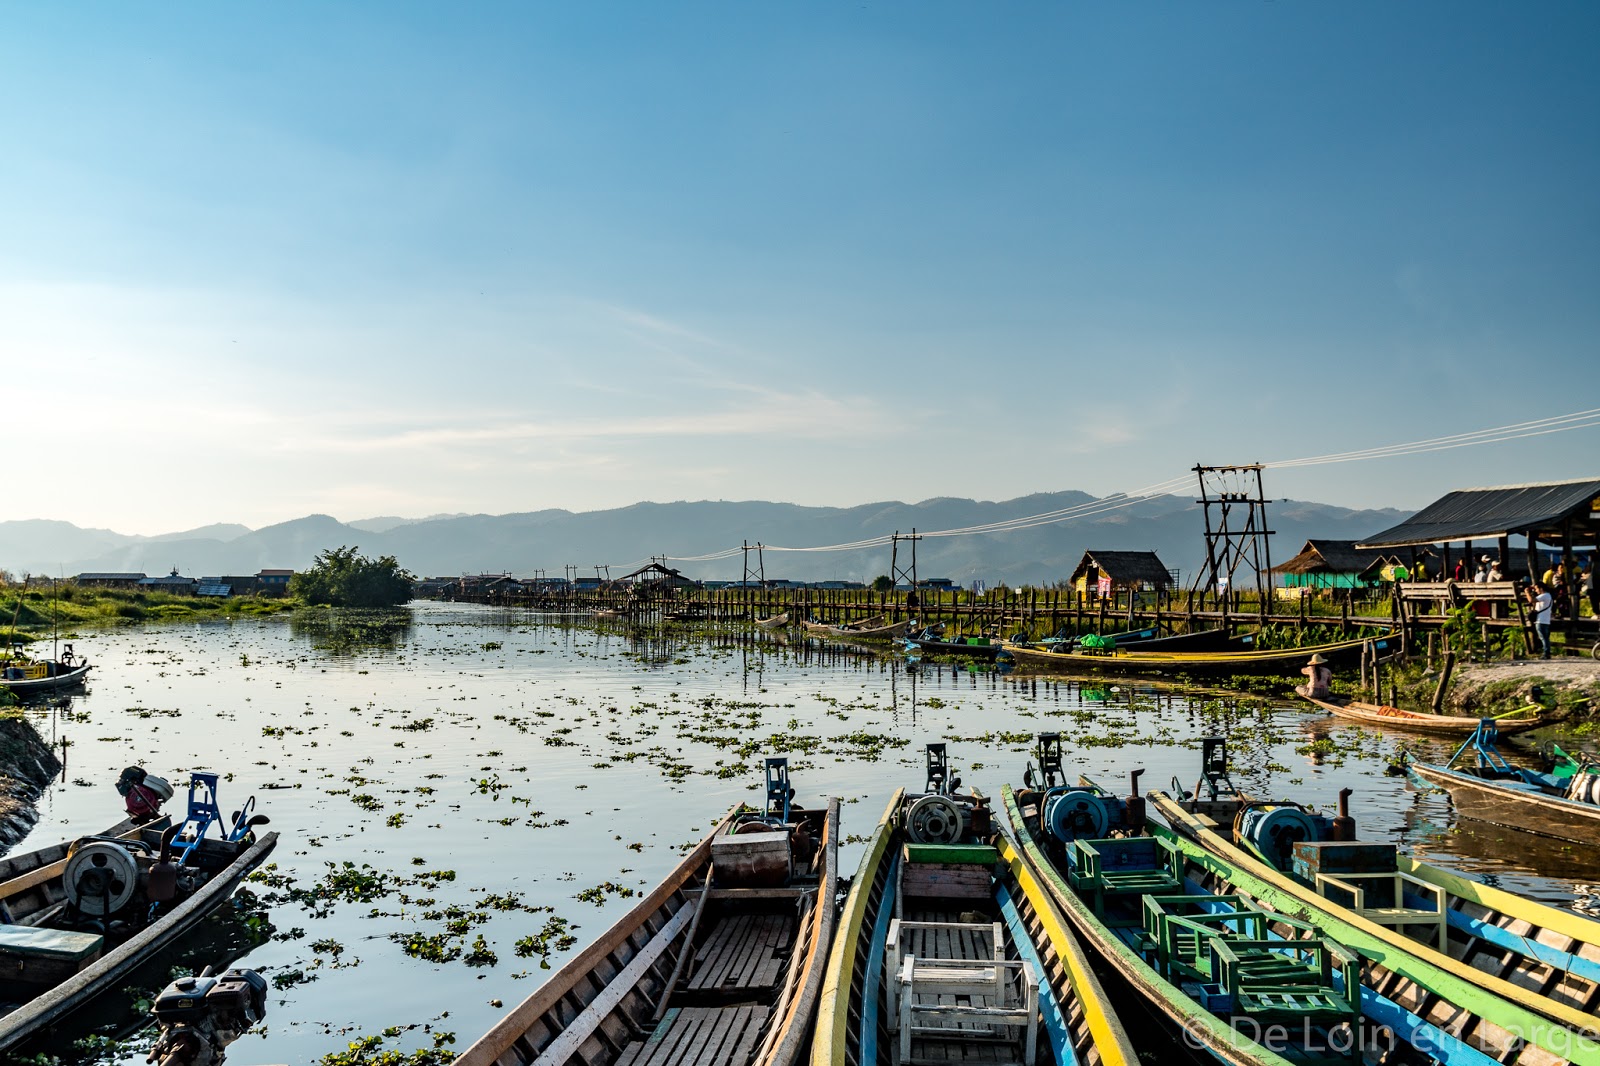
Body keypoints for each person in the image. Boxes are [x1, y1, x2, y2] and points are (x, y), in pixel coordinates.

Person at [1530, 581, 1554, 660]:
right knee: (1545, 637)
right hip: (1545, 620)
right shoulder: (1547, 596)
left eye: (1536, 589)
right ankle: (1546, 652)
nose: (1536, 591)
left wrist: (1527, 592)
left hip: (1541, 620)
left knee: (1543, 637)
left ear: (1541, 588)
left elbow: (1531, 600)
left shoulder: (1545, 595)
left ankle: (1546, 653)